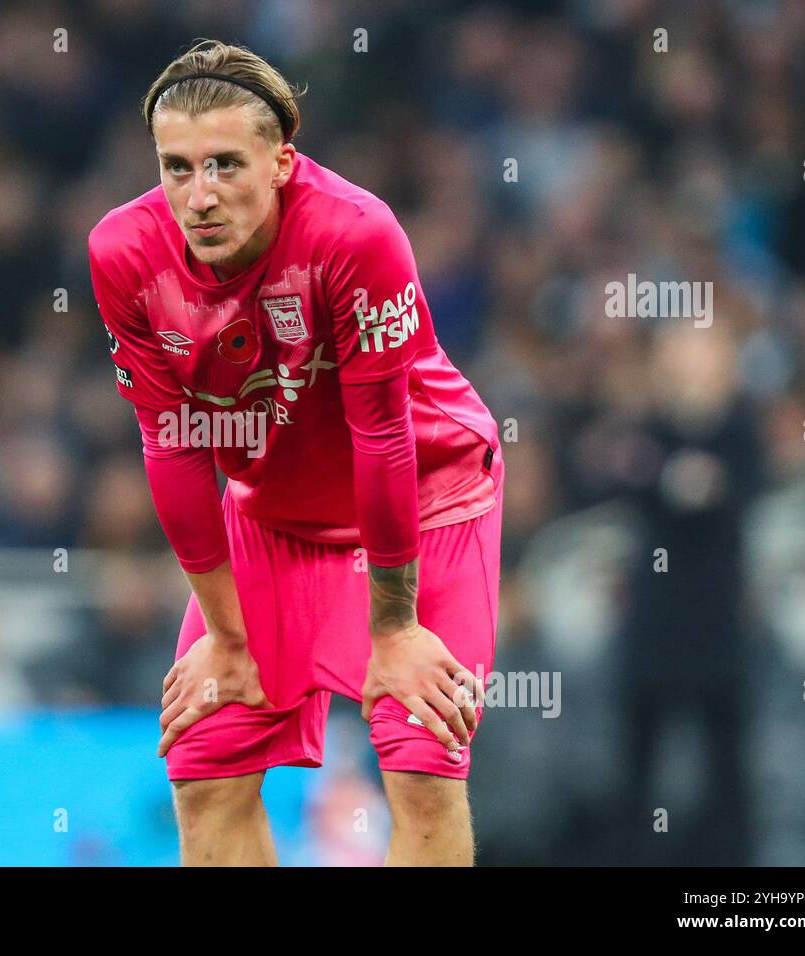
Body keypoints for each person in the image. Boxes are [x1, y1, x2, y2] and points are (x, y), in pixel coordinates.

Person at [87, 40, 503, 866]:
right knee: (205, 766)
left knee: (420, 763)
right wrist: (226, 633)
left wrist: (394, 629)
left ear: (282, 161)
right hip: (272, 516)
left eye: (224, 165)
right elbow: (170, 447)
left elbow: (380, 434)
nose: (198, 196)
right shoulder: (122, 253)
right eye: (176, 168)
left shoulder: (355, 235)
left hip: (426, 499)